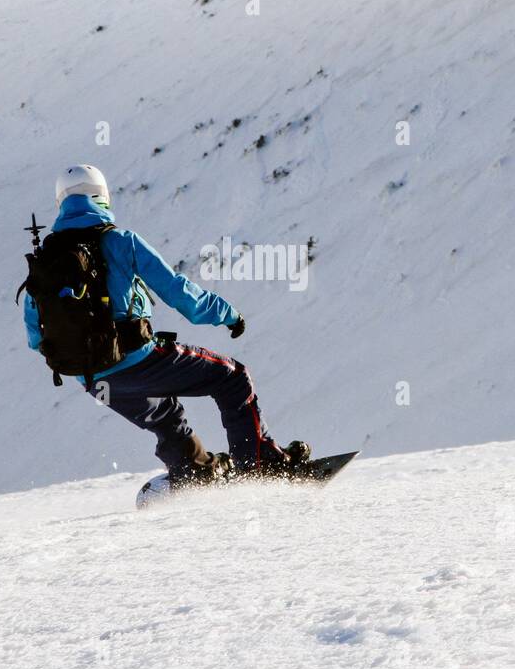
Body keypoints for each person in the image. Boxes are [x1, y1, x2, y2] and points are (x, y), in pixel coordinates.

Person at [23, 164, 309, 487]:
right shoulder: (121, 242)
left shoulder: (45, 260)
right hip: (137, 359)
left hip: (94, 381)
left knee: (165, 416)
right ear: (101, 195)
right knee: (232, 377)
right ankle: (259, 465)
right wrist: (228, 314)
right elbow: (177, 291)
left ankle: (196, 473)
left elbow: (35, 337)